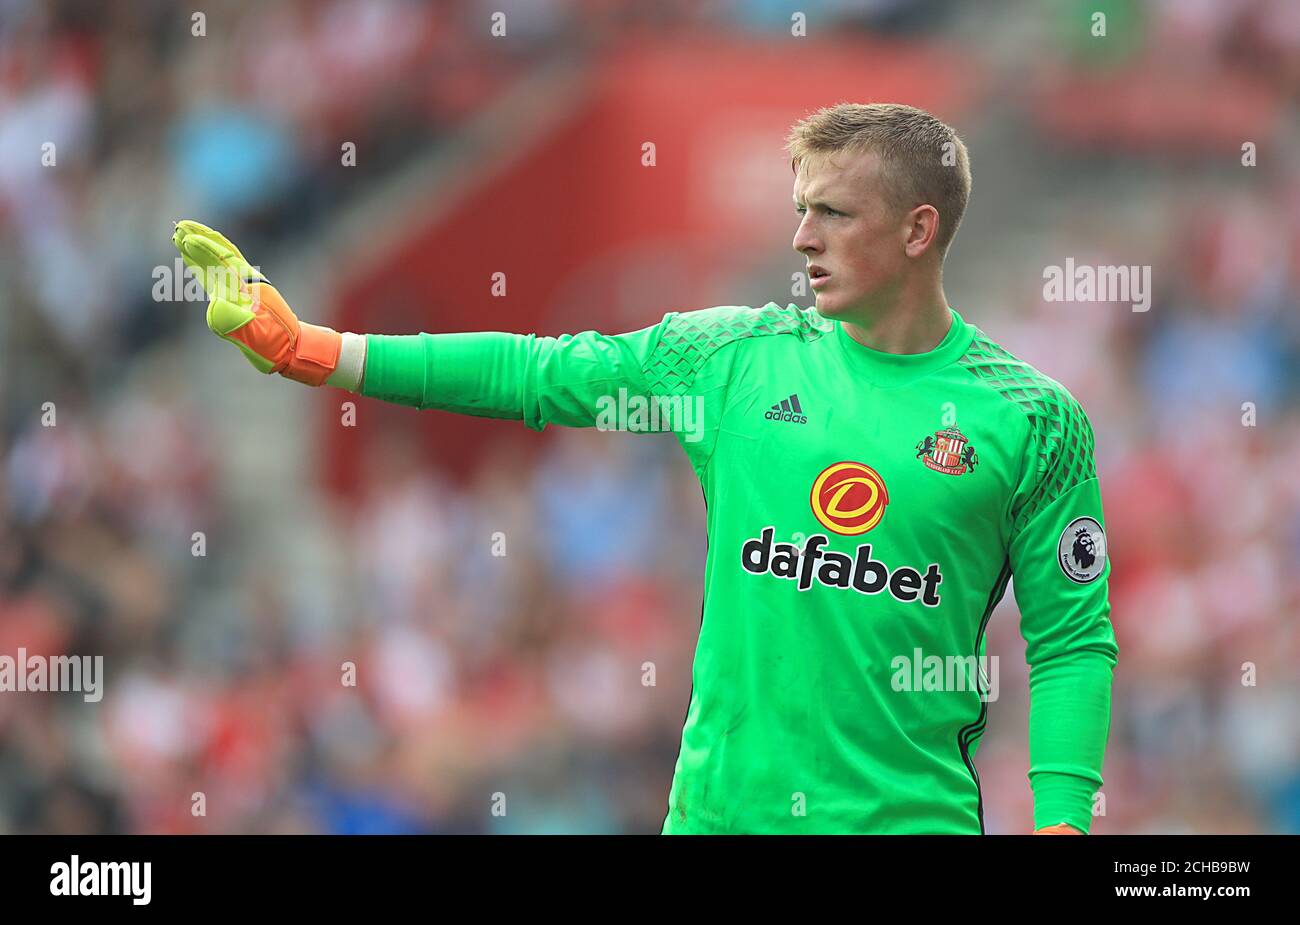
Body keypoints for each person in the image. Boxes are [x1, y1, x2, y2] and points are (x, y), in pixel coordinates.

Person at [173, 102, 1116, 835]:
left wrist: (1063, 818)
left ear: (918, 231)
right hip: (717, 816)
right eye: (800, 211)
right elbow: (534, 371)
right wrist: (315, 349)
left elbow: (1071, 641)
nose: (801, 239)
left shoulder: (1031, 419)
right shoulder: (730, 359)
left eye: (833, 213)